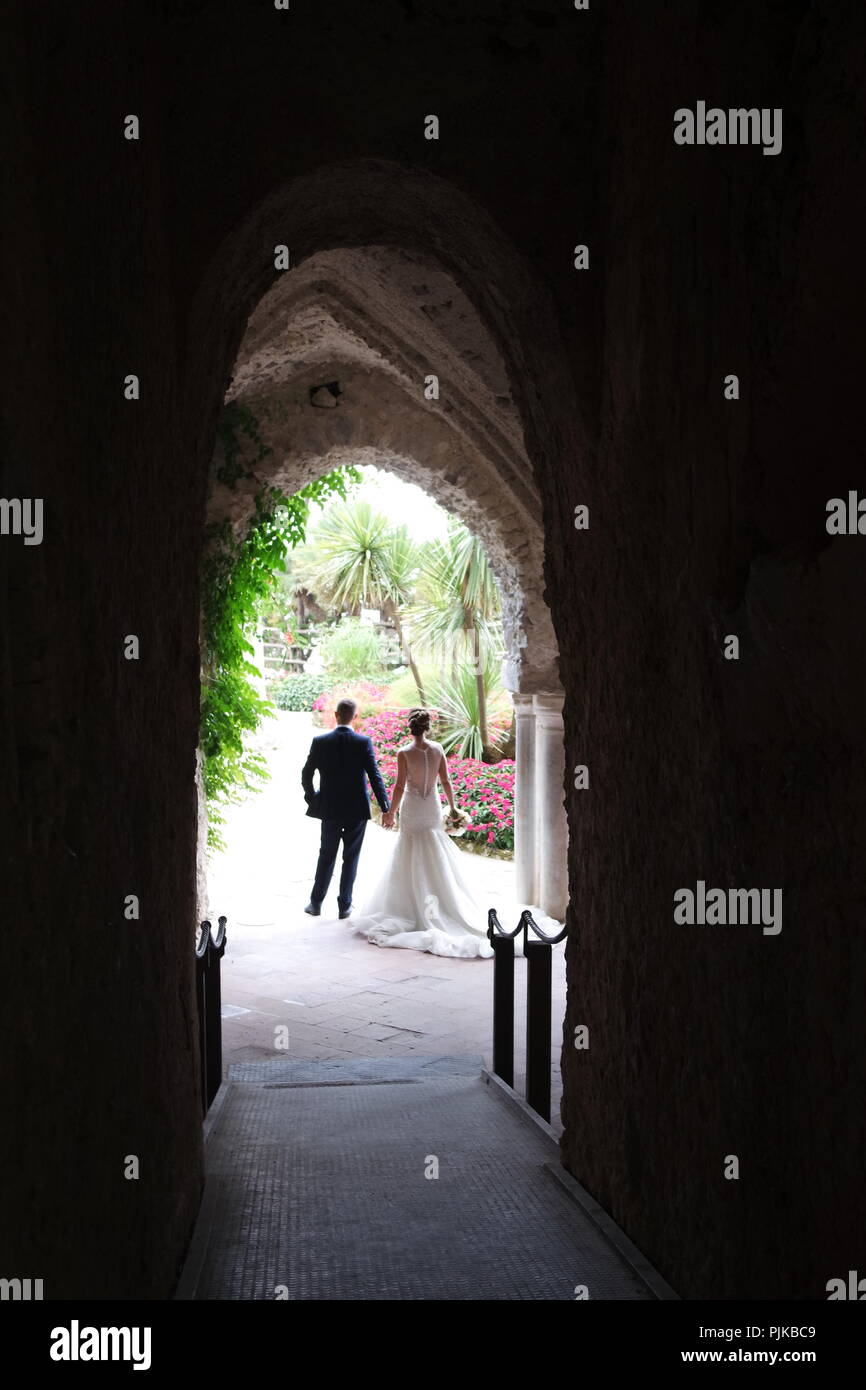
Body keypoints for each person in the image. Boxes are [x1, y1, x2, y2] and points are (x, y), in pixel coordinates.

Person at [352, 708, 493, 958]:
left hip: (413, 806)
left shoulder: (404, 753)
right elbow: (446, 781)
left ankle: (413, 908)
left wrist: (390, 812)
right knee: (433, 847)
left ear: (410, 728)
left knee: (410, 849)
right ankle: (441, 902)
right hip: (431, 806)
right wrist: (453, 807)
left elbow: (398, 786)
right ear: (427, 728)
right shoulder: (437, 749)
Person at [301, 697, 390, 920]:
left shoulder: (320, 741)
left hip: (329, 808)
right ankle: (344, 906)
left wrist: (312, 798)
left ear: (336, 715)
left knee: (326, 855)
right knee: (351, 858)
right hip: (356, 809)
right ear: (355, 717)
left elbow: (306, 773)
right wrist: (385, 806)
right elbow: (374, 776)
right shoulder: (363, 742)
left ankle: (316, 903)